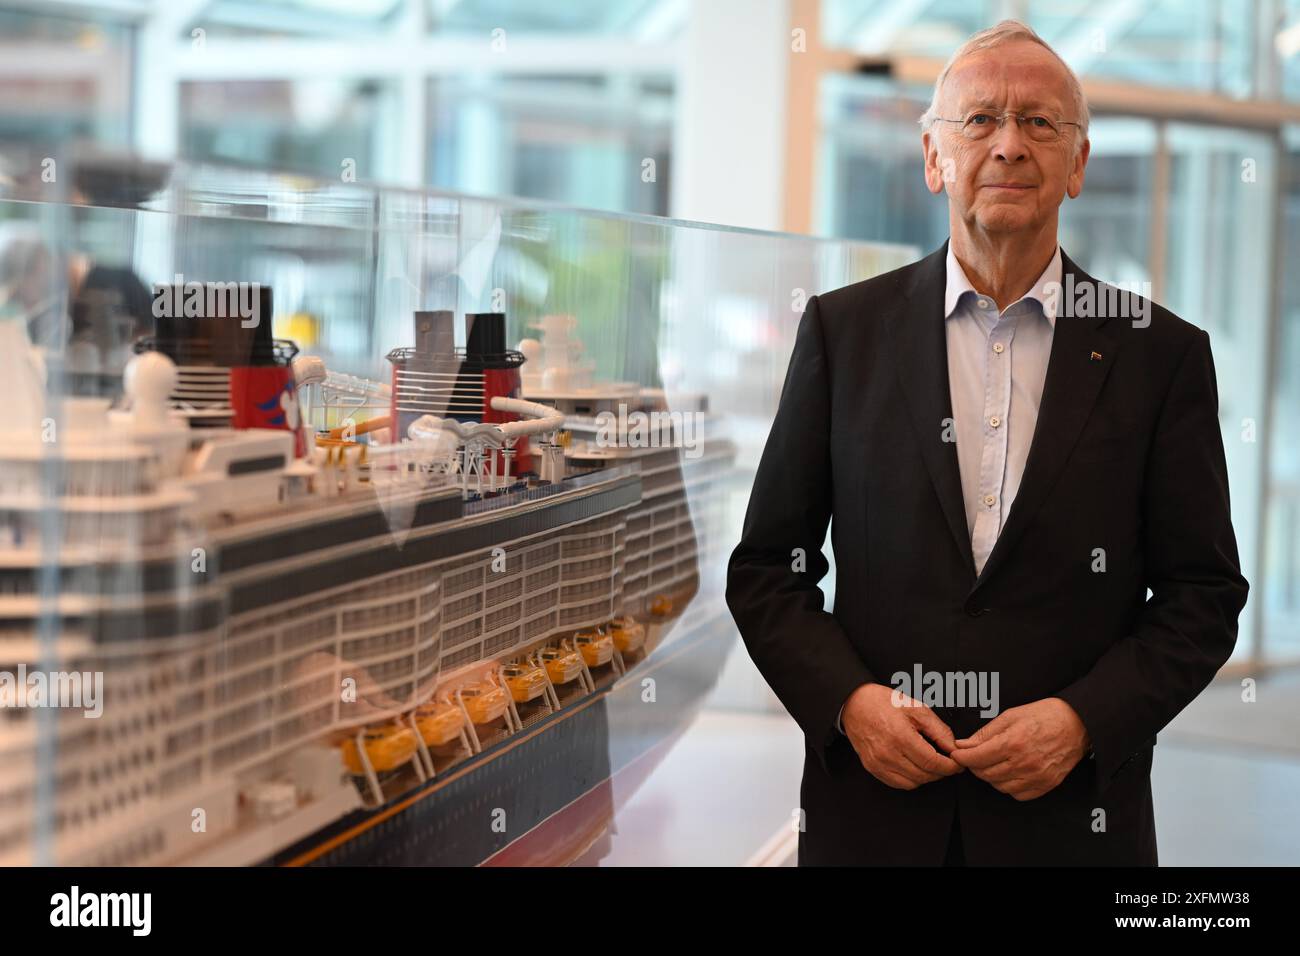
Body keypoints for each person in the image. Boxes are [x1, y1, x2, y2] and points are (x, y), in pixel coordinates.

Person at [725, 20, 1248, 865]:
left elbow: (1203, 594)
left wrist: (1084, 721)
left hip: (1073, 826)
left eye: (1039, 122)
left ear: (1077, 165)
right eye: (979, 121)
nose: (1009, 145)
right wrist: (851, 704)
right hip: (874, 818)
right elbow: (766, 570)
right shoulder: (843, 332)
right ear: (934, 157)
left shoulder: (1159, 353)